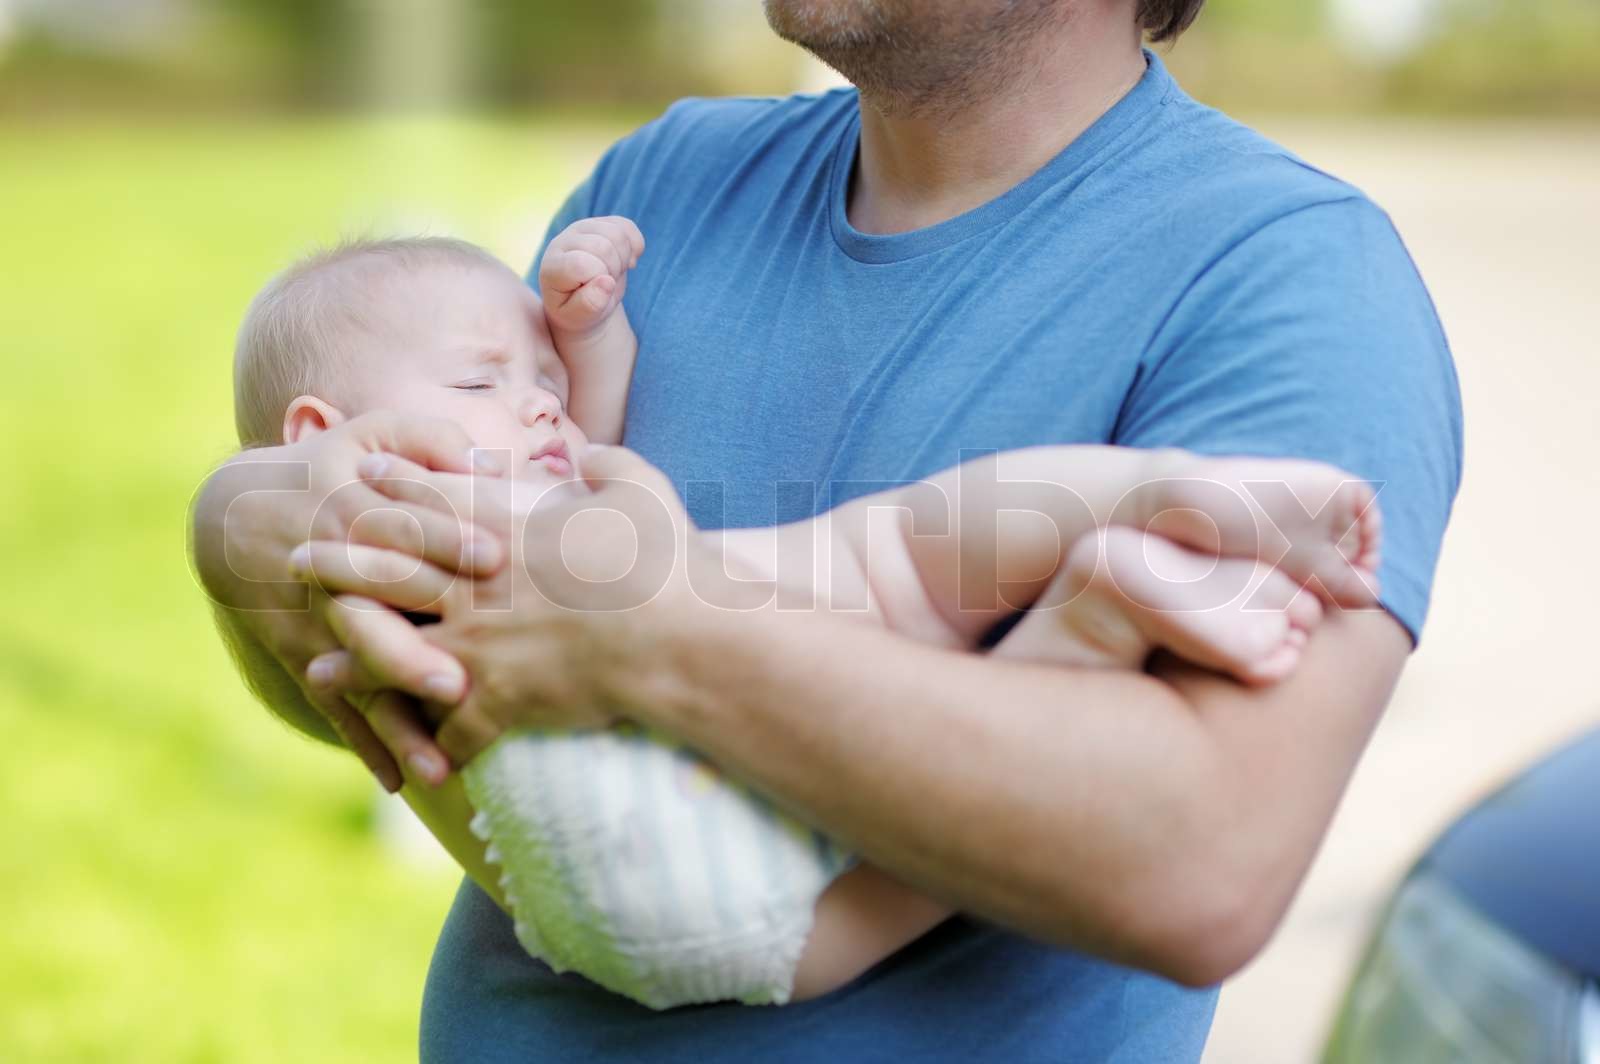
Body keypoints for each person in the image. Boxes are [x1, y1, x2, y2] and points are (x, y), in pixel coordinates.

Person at [189, 0, 1462, 1058]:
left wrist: (649, 630)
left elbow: (1201, 865)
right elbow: (410, 659)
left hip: (777, 929)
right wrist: (240, 522)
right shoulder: (667, 185)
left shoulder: (1288, 275)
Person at [227, 230, 1377, 1009]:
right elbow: (296, 630)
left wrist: (590, 340)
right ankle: (1097, 603)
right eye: (487, 386)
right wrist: (236, 511)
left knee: (905, 550)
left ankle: (1133, 544)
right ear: (322, 430)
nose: (540, 402)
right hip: (675, 874)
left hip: (675, 750)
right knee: (901, 599)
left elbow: (597, 438)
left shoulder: (1277, 266)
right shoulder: (366, 545)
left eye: (545, 377)